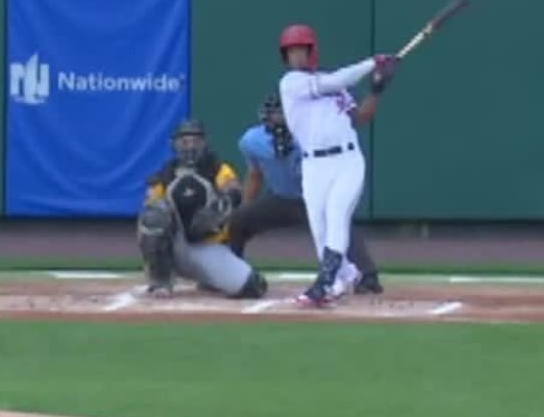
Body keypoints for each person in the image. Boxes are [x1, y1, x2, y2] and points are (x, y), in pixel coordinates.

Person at [276, 25, 396, 308]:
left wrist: (377, 89)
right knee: (320, 229)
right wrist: (372, 63)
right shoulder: (291, 82)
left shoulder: (336, 86)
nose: (296, 56)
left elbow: (361, 117)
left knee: (336, 215)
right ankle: (345, 278)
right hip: (314, 166)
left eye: (301, 50)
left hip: (347, 161)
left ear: (311, 51)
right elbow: (334, 81)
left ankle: (323, 284)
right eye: (291, 51)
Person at [228, 95, 384, 294]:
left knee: (338, 223)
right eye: (275, 116)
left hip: (313, 198)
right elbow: (254, 175)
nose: (280, 121)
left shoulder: (313, 136)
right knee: (238, 220)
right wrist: (246, 207)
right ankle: (231, 272)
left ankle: (367, 275)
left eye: (285, 115)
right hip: (281, 198)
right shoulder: (252, 141)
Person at [137, 119, 269, 300]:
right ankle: (160, 278)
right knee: (154, 216)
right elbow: (150, 209)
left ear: (204, 143)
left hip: (209, 245)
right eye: (184, 142)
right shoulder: (165, 174)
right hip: (177, 246)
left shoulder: (217, 168)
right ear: (174, 145)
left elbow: (234, 192)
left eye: (195, 141)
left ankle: (208, 278)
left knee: (252, 287)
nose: (190, 147)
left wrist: (215, 213)